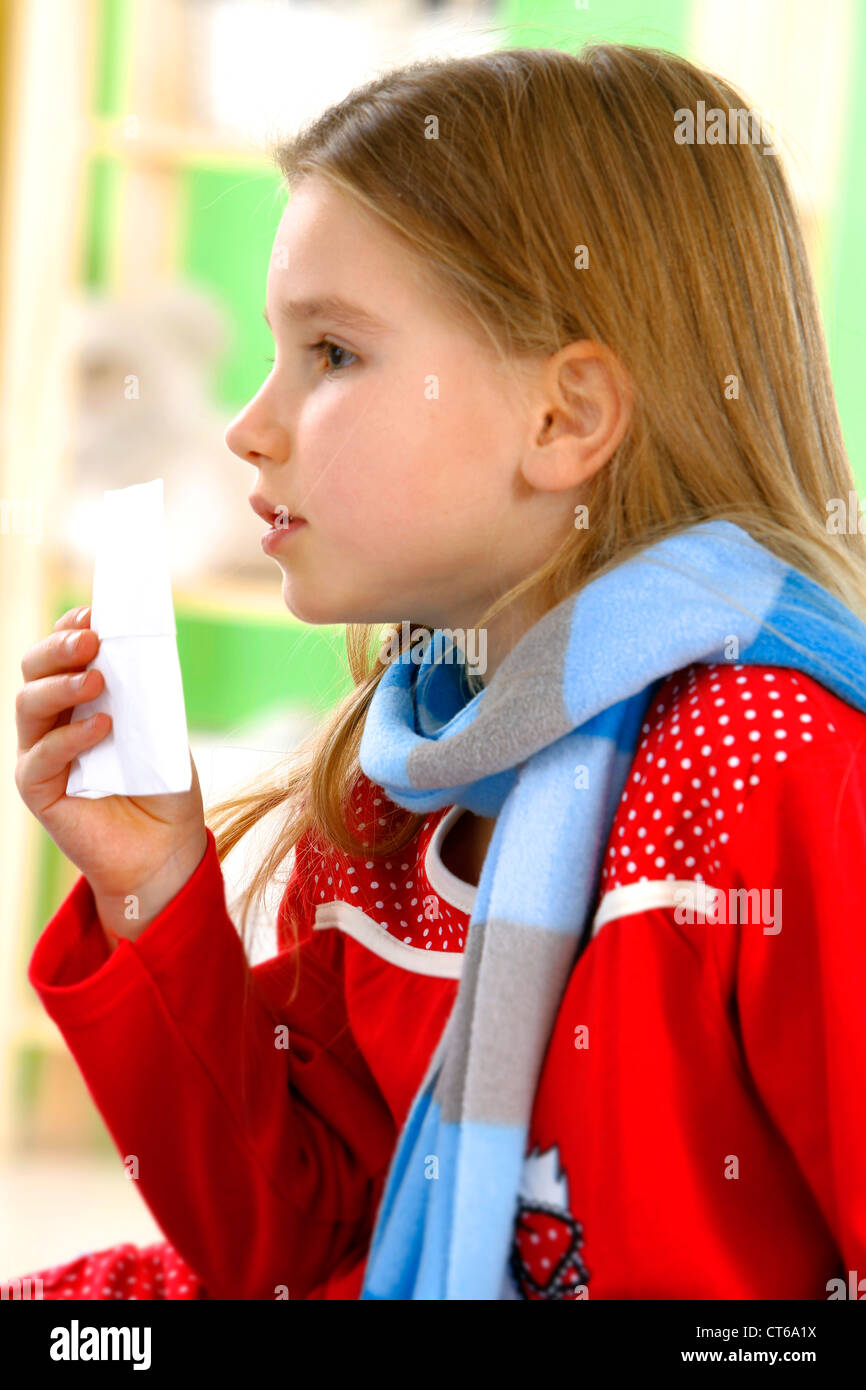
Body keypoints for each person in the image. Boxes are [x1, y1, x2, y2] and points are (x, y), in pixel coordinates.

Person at [9, 42, 866, 1301]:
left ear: (562, 419)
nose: (250, 425)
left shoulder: (768, 772)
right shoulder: (394, 781)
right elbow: (293, 1248)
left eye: (333, 355)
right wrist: (153, 885)